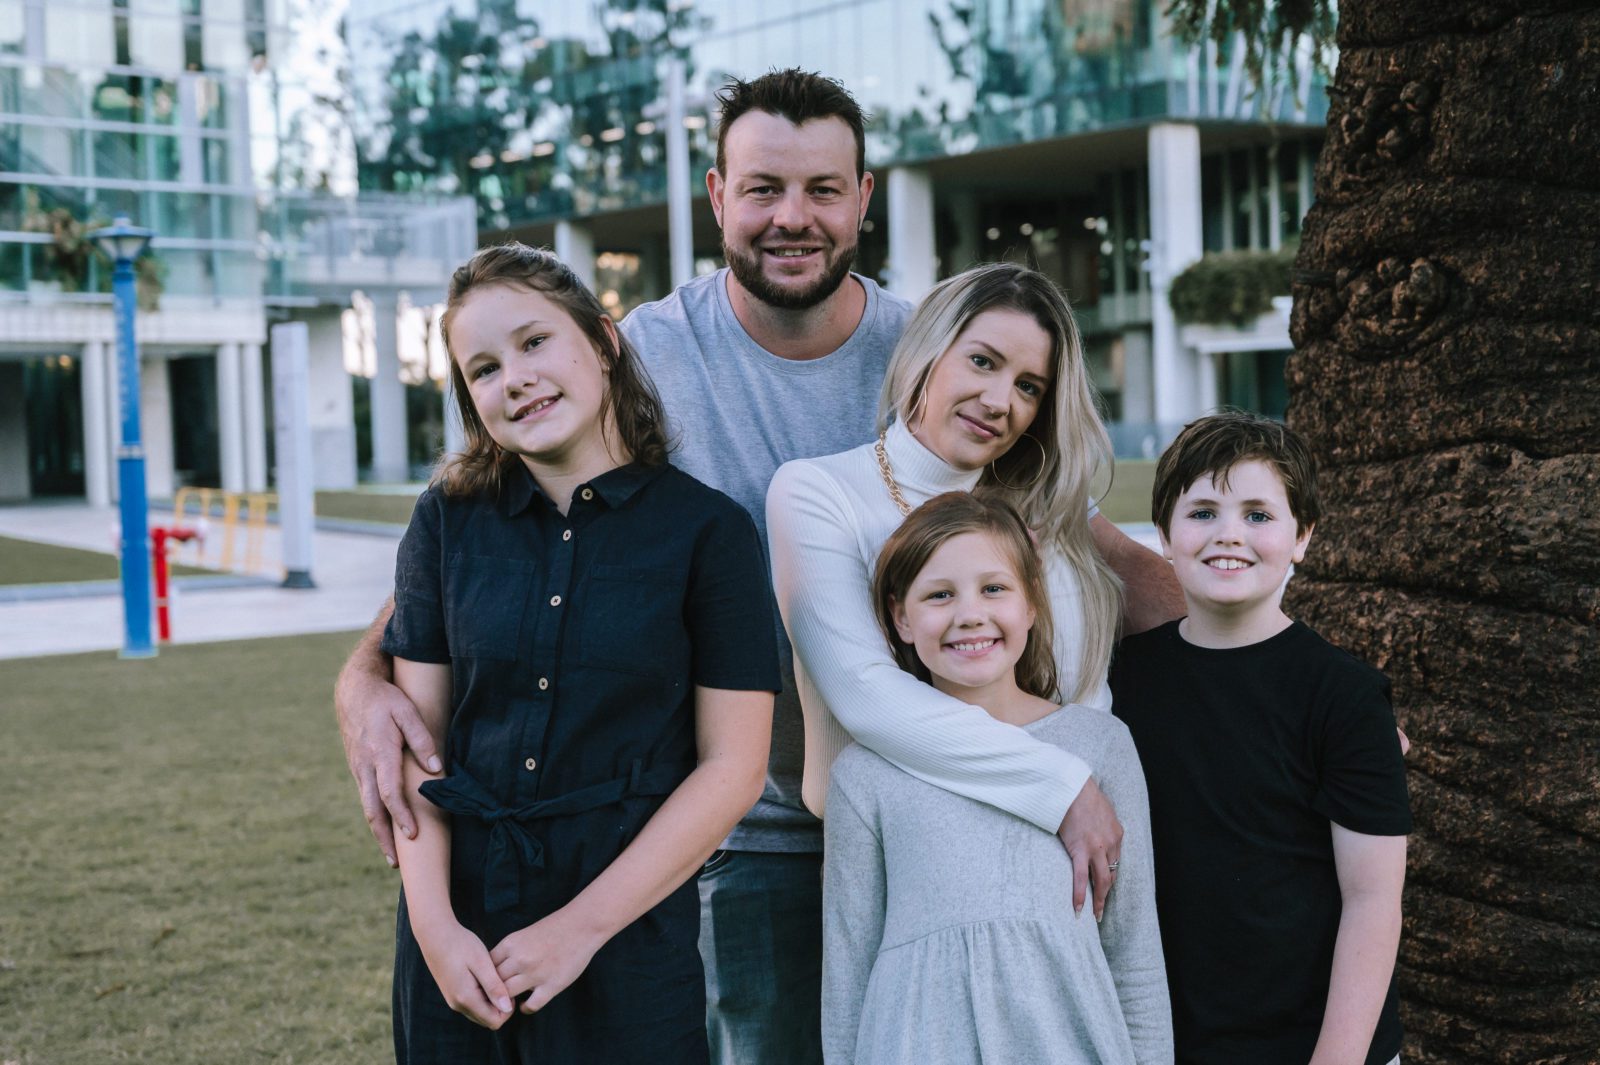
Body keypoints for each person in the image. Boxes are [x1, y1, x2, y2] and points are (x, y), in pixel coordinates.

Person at [336, 69, 1182, 1065]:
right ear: (716, 198)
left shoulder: (941, 351)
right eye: (762, 189)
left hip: (957, 815)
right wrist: (362, 676)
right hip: (751, 837)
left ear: (864, 198)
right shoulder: (640, 350)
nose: (792, 217)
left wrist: (1288, 674)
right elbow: (486, 556)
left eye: (823, 189)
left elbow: (1088, 547)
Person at [382, 243, 778, 1063]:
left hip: (625, 939)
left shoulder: (710, 532)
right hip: (457, 945)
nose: (514, 378)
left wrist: (576, 931)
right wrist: (433, 927)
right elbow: (416, 750)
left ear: (603, 342)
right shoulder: (446, 521)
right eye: (483, 368)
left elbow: (733, 769)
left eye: (534, 343)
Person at [767, 262, 1138, 910]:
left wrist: (1073, 797)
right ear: (929, 350)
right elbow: (865, 695)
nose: (1001, 401)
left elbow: (1080, 705)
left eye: (1028, 386)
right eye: (983, 362)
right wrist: (1059, 786)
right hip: (882, 872)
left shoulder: (1041, 518)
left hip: (1040, 860)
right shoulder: (818, 491)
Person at [823, 490, 1172, 1064]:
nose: (970, 614)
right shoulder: (865, 774)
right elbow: (847, 968)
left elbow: (1133, 949)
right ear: (901, 618)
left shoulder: (1098, 744)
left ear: (1031, 604)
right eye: (939, 595)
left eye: (994, 588)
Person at [1111, 411, 1411, 1065]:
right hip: (1172, 1042)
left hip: (1320, 1043)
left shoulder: (1345, 696)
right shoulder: (1123, 679)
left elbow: (1372, 897)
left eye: (1257, 514)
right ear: (1164, 533)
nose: (1228, 535)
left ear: (1301, 537)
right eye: (1203, 513)